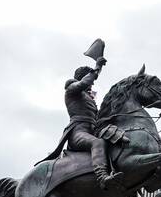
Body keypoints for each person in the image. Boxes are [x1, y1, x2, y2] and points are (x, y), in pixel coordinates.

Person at [53, 55, 125, 189]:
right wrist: (98, 67)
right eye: (90, 80)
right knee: (98, 142)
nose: (92, 84)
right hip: (78, 133)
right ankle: (102, 177)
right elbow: (84, 83)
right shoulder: (71, 90)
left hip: (92, 131)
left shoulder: (89, 98)